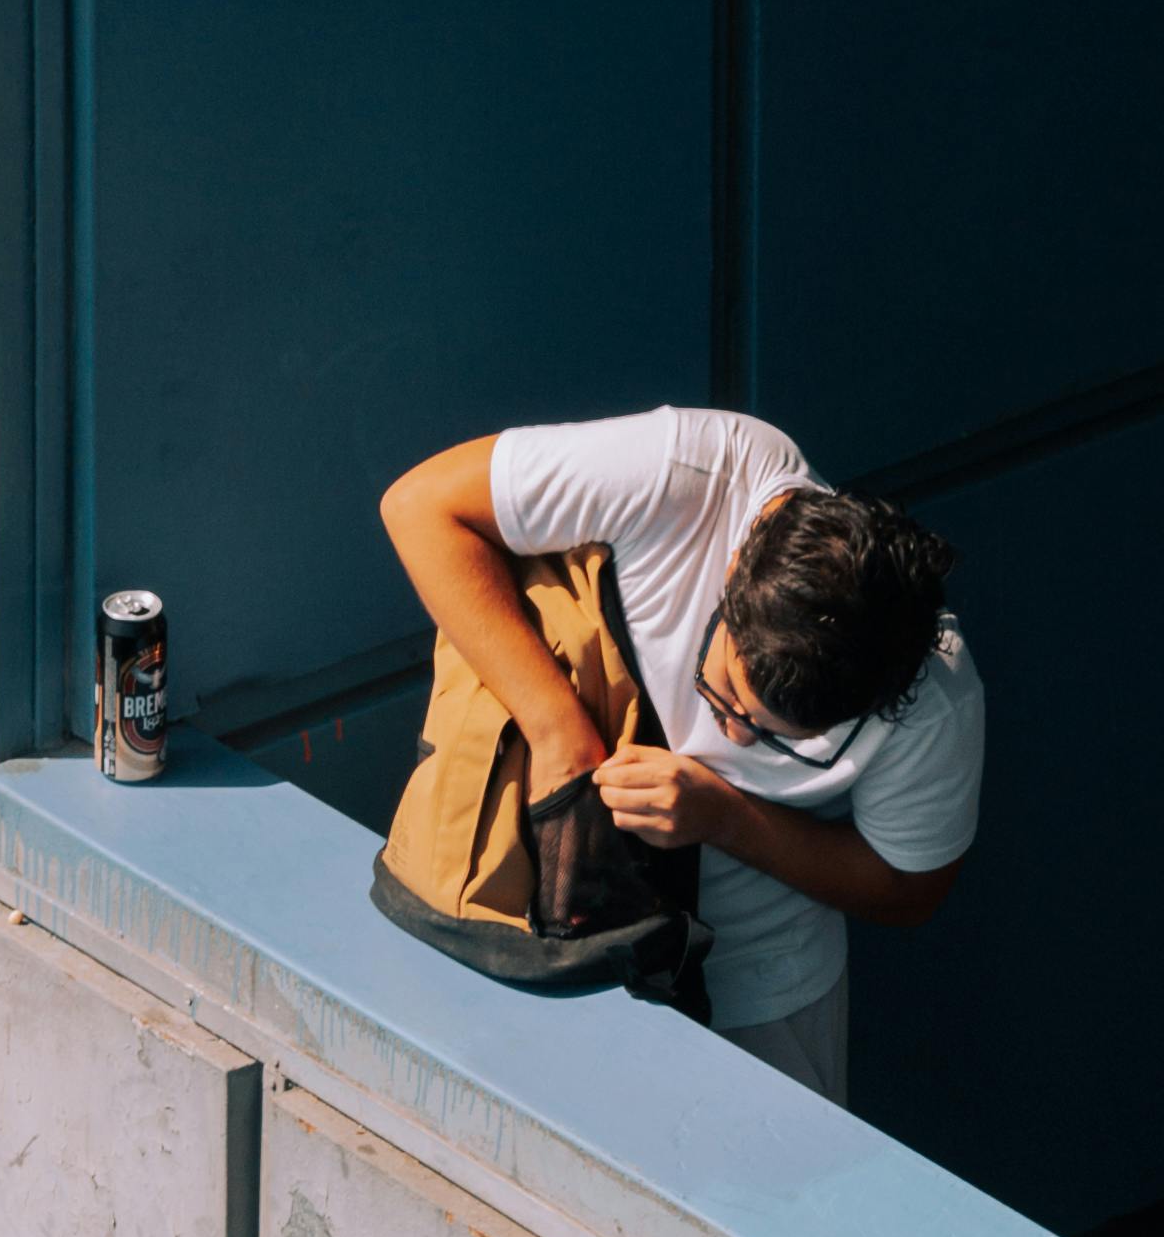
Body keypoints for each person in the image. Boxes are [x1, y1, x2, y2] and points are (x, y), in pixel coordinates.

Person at [378, 408, 982, 1104]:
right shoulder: (685, 473)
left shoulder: (934, 693)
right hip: (555, 951)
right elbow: (421, 507)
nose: (737, 739)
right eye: (725, 695)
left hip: (766, 988)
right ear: (733, 570)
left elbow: (908, 890)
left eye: (788, 739)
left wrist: (721, 817)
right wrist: (556, 729)